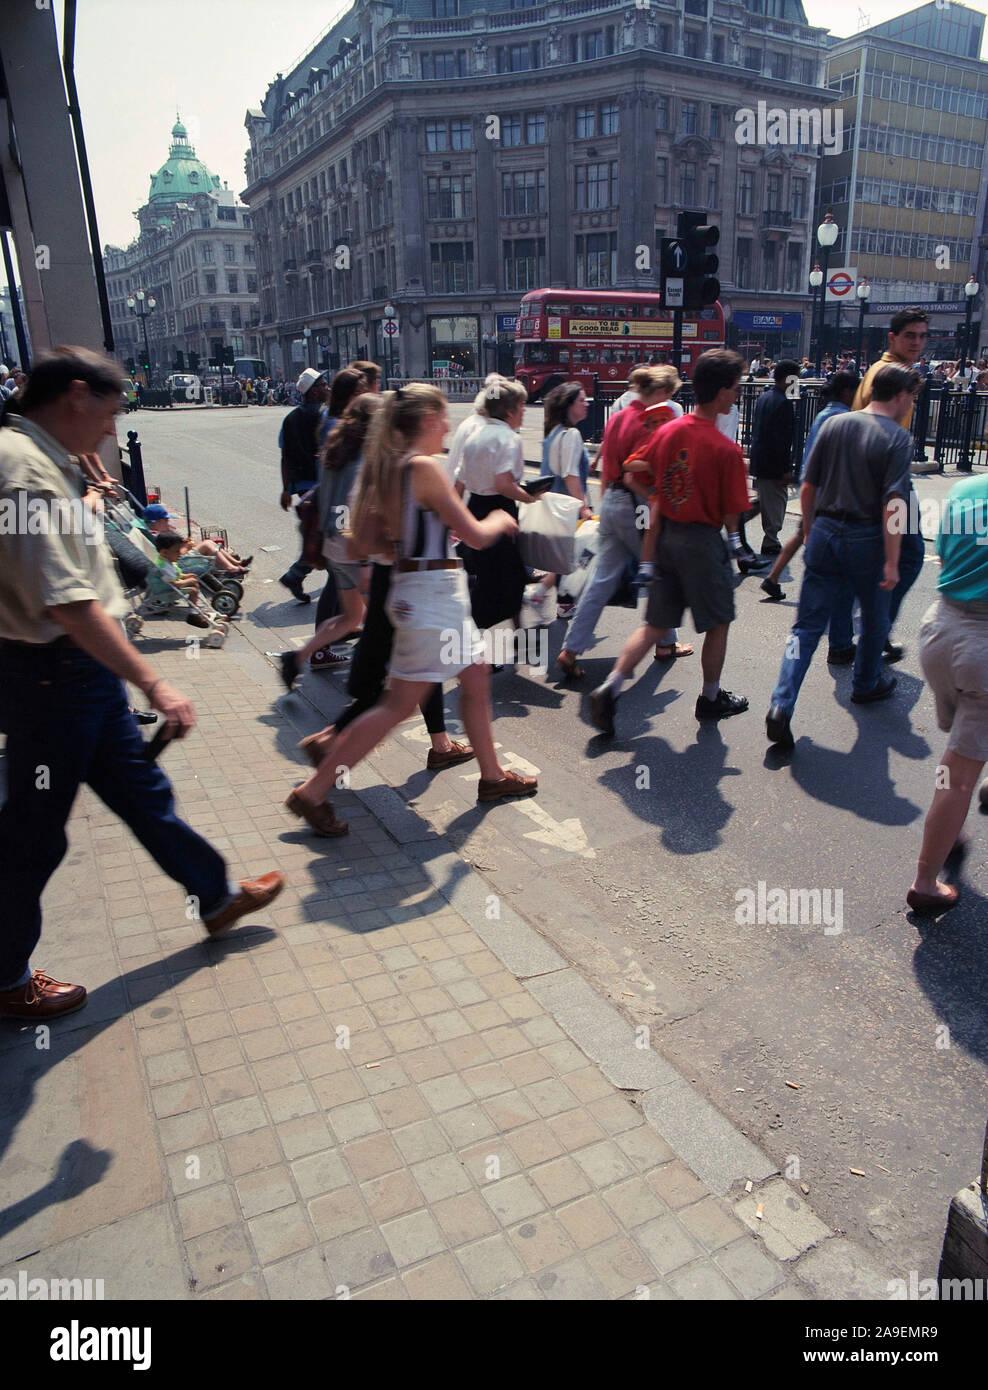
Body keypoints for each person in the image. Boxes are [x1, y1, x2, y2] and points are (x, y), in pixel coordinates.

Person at [0, 347, 285, 1021]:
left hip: (77, 675)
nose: (110, 426)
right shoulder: (26, 472)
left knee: (140, 791)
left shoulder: (37, 456)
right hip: (54, 675)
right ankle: (6, 976)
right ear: (76, 395)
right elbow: (68, 603)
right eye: (110, 407)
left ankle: (213, 897)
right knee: (34, 832)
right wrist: (156, 682)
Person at [283, 384, 537, 835]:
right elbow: (477, 534)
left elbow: (362, 544)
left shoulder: (385, 469)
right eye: (442, 417)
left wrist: (415, 544)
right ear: (423, 422)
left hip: (415, 589)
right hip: (435, 596)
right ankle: (314, 790)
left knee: (474, 677)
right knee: (397, 705)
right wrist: (501, 519)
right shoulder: (423, 466)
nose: (448, 425)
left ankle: (492, 776)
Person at [588, 349, 752, 736]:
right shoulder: (727, 450)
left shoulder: (667, 431)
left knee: (655, 624)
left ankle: (610, 687)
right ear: (723, 393)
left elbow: (632, 468)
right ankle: (711, 698)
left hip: (666, 538)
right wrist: (735, 544)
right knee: (719, 621)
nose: (738, 395)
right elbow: (732, 511)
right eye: (736, 387)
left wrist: (659, 490)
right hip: (701, 541)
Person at [765, 364, 918, 749]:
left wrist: (813, 528)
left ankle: (781, 703)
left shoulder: (835, 424)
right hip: (867, 537)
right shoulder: (898, 439)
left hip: (825, 532)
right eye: (911, 396)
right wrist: (892, 560)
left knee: (804, 629)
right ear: (899, 396)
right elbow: (893, 504)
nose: (911, 403)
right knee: (875, 615)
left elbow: (808, 486)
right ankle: (866, 683)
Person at [556, 365, 688, 679]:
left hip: (613, 501)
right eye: (668, 395)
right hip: (636, 503)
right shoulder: (649, 422)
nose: (669, 403)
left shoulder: (617, 417)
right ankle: (666, 643)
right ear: (658, 392)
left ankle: (571, 649)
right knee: (658, 572)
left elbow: (607, 465)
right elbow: (644, 472)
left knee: (601, 581)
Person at [907, 471, 988, 913]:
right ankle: (925, 882)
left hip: (940, 633)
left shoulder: (963, 490)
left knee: (961, 745)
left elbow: (944, 559)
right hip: (982, 649)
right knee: (958, 774)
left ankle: (952, 824)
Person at [277, 394, 380, 691]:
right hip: (356, 552)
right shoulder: (360, 460)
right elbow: (349, 508)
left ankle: (297, 657)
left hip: (334, 548)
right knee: (380, 619)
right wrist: (362, 559)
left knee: (351, 617)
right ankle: (371, 677)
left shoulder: (335, 451)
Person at [853, 308, 929, 661]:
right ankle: (876, 632)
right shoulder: (889, 375)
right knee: (908, 556)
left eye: (922, 336)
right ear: (893, 338)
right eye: (909, 336)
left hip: (883, 478)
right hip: (890, 481)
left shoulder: (889, 372)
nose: (916, 342)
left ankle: (866, 633)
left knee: (887, 558)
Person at [760, 371, 859, 602]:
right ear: (847, 392)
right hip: (828, 490)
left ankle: (773, 579)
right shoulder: (842, 418)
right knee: (825, 541)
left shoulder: (825, 414)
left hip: (815, 486)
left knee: (802, 532)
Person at [455, 377, 534, 636]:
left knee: (490, 576)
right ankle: (473, 637)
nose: (525, 411)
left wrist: (454, 519)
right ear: (510, 410)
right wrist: (530, 498)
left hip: (475, 507)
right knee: (508, 578)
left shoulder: (474, 435)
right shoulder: (508, 438)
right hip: (499, 510)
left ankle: (515, 630)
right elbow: (504, 485)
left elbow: (460, 481)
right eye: (522, 406)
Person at [527, 382, 595, 612]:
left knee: (566, 556)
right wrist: (583, 508)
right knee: (576, 555)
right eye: (581, 401)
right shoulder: (571, 434)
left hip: (551, 504)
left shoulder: (553, 432)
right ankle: (564, 603)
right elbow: (570, 476)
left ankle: (539, 594)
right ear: (568, 405)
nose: (587, 404)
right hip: (565, 506)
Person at [278, 367, 331, 602]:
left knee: (321, 535)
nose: (327, 387)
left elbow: (285, 456)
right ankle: (297, 574)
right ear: (313, 391)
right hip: (321, 486)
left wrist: (286, 489)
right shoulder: (325, 416)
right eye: (323, 384)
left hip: (301, 486)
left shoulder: (290, 419)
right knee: (327, 537)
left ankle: (298, 574)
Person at [749, 360, 798, 556]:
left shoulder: (765, 397)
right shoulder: (784, 403)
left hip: (760, 459)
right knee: (777, 501)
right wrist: (785, 469)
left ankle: (740, 519)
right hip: (773, 463)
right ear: (789, 378)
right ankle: (771, 540)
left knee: (765, 500)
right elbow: (782, 440)